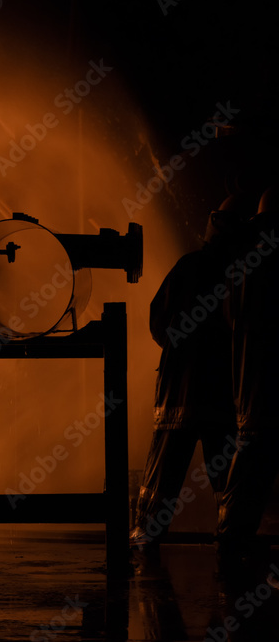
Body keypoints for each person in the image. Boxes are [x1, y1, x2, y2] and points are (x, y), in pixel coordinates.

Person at [131, 197, 245, 557]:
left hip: (178, 391)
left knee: (164, 470)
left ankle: (147, 536)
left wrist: (177, 348)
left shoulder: (189, 266)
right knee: (226, 470)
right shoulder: (243, 273)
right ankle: (232, 537)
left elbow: (157, 319)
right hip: (222, 391)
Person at [217, 186, 279, 565]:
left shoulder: (240, 271)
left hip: (252, 396)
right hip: (265, 392)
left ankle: (232, 543)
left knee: (249, 474)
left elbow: (230, 324)